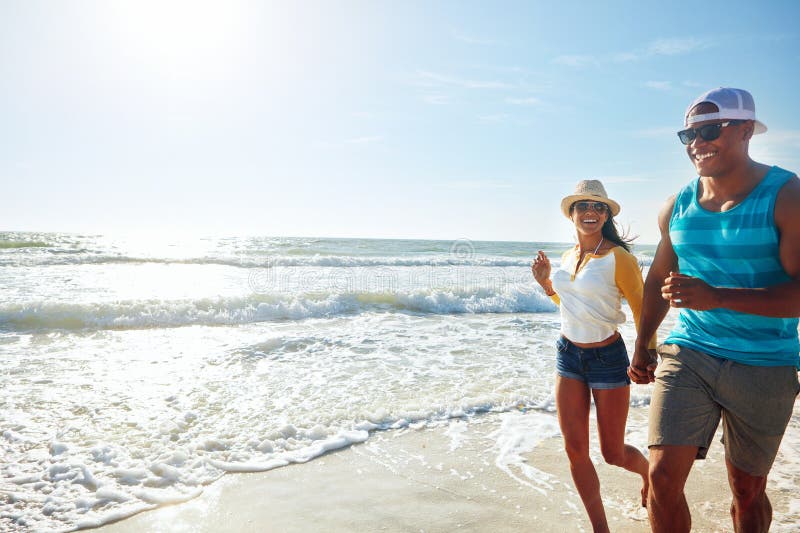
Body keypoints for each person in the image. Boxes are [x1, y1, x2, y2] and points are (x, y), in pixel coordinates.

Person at [629, 87, 800, 533]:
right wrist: (643, 343)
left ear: (745, 130)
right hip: (691, 351)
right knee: (662, 478)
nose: (696, 143)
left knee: (746, 490)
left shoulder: (787, 195)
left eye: (709, 130)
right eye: (688, 134)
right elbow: (654, 282)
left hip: (764, 361)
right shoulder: (677, 205)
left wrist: (719, 296)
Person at [532, 179, 654, 533]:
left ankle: (647, 472)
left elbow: (643, 309)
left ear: (606, 215)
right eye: (583, 206)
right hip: (567, 356)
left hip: (608, 357)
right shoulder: (569, 256)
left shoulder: (619, 258)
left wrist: (646, 353)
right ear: (571, 214)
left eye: (598, 207)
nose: (591, 212)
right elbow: (569, 305)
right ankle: (601, 529)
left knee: (612, 453)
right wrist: (545, 285)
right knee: (575, 451)